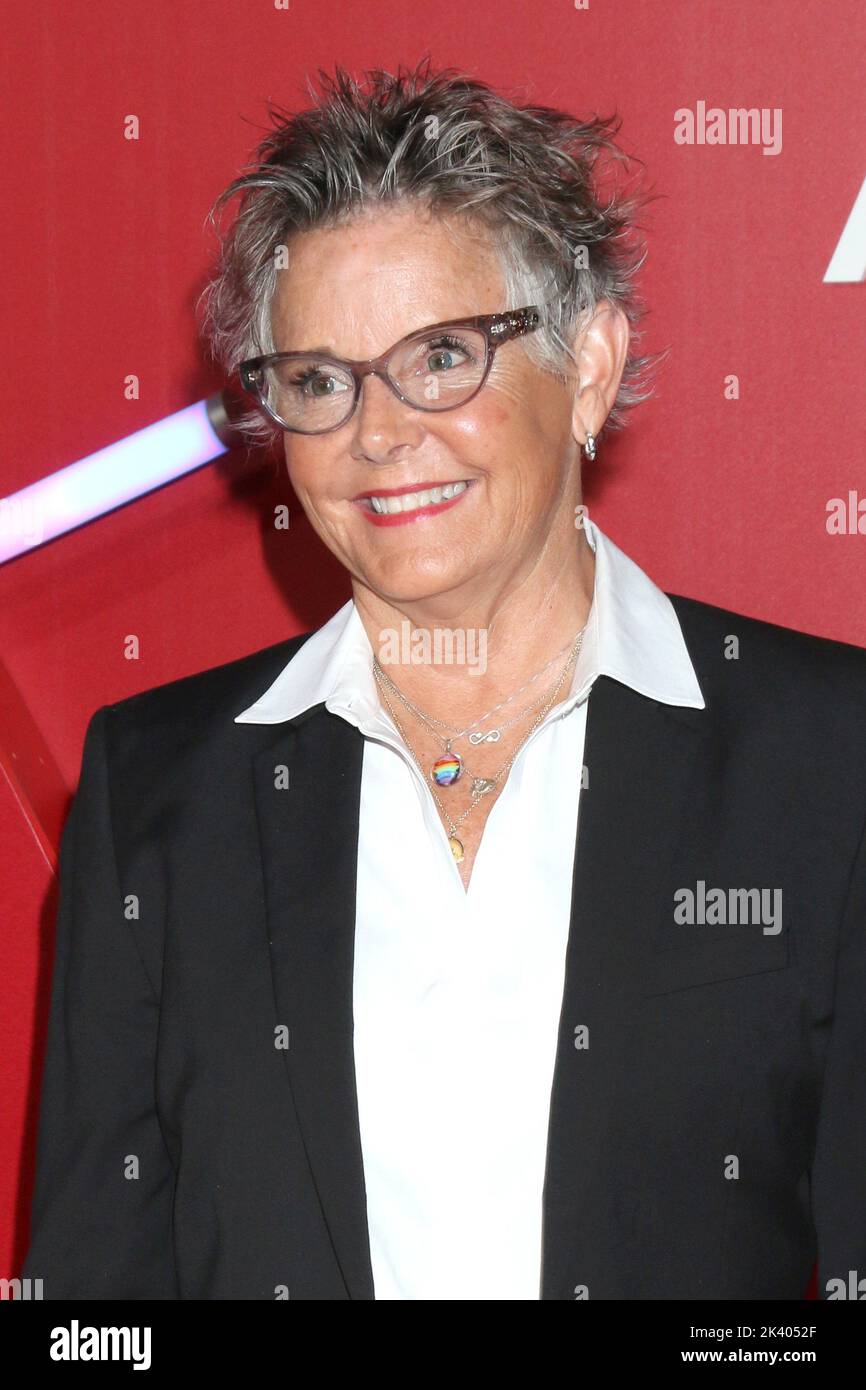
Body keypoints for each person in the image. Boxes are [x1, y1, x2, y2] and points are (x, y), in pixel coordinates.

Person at [22, 60, 866, 1300]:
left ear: (584, 365)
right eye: (317, 379)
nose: (376, 433)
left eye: (441, 357)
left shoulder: (824, 756)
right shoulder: (156, 792)